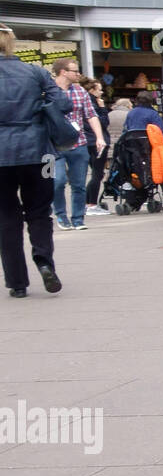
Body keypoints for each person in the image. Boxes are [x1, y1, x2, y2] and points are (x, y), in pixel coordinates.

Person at [0, 25, 65, 297]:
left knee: (5, 216)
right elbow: (62, 103)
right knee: (40, 211)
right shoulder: (35, 72)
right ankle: (44, 262)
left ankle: (17, 283)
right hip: (41, 153)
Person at [49, 57, 107, 231]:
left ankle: (77, 218)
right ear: (63, 72)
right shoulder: (48, 91)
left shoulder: (80, 91)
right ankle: (60, 214)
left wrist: (99, 137)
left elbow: (91, 115)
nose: (78, 74)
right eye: (75, 70)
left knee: (79, 184)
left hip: (78, 143)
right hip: (52, 146)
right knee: (56, 181)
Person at [81, 78, 112, 213]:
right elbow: (104, 123)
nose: (101, 92)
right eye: (99, 89)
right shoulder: (93, 105)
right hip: (97, 141)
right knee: (97, 174)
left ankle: (87, 202)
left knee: (94, 173)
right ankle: (91, 203)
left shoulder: (82, 102)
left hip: (86, 141)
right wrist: (102, 108)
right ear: (92, 91)